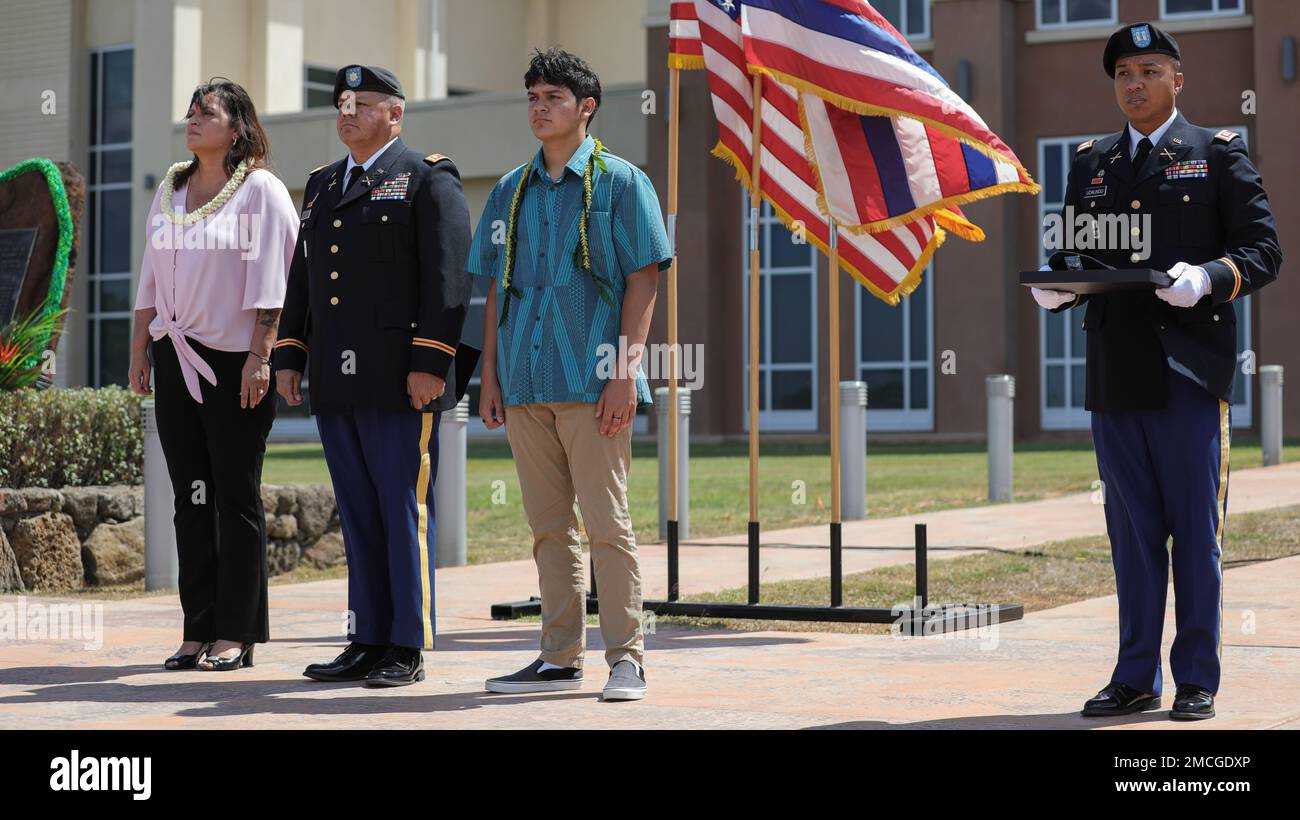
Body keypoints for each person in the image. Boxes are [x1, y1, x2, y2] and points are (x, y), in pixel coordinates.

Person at [1031, 23, 1282, 720]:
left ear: (1178, 79)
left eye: (1148, 70)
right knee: (1132, 534)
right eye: (1122, 74)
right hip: (1116, 368)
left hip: (1189, 372)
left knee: (1195, 533)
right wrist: (1057, 286)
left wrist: (1206, 277)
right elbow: (1078, 253)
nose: (1133, 83)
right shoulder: (1092, 163)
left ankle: (1196, 677)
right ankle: (1134, 676)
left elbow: (1263, 251)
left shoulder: (1216, 155)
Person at [473, 49, 671, 702]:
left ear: (586, 107)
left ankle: (628, 660)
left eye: (552, 96)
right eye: (531, 96)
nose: (538, 106)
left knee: (608, 525)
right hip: (526, 387)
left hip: (594, 384)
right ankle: (558, 658)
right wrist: (490, 378)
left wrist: (623, 374)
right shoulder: (509, 190)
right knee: (548, 529)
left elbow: (645, 278)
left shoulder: (622, 182)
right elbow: (497, 291)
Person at [274, 64, 476, 687]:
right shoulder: (321, 184)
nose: (347, 112)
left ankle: (406, 645)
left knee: (400, 508)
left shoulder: (425, 177)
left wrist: (431, 363)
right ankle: (366, 637)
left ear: (395, 113)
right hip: (337, 377)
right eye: (341, 102)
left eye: (362, 103)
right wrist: (289, 354)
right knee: (357, 512)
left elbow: (447, 279)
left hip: (399, 379)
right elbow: (305, 277)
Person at [128, 78, 298, 672]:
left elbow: (272, 283)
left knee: (235, 497)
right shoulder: (171, 190)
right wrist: (139, 352)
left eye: (208, 112)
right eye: (191, 111)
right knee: (189, 498)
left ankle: (237, 631)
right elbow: (149, 278)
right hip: (174, 358)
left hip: (235, 364)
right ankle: (196, 628)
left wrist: (261, 356)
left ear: (238, 126)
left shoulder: (260, 192)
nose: (193, 119)